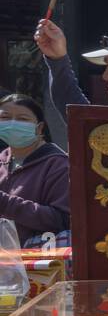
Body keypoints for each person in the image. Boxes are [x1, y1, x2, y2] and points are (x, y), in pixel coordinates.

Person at [0, 94, 70, 246]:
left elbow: (60, 220)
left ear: (40, 128)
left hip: (39, 263)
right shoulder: (2, 160)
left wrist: (5, 203)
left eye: (22, 119)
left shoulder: (59, 165)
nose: (12, 124)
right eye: (5, 117)